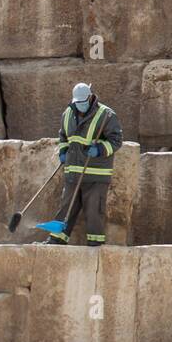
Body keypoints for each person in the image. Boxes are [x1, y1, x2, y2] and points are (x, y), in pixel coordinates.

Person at [45, 82, 122, 246]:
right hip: (73, 172)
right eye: (77, 103)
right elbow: (63, 137)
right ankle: (56, 239)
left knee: (94, 210)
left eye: (83, 102)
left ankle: (95, 245)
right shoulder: (67, 114)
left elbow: (116, 141)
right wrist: (63, 152)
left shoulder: (106, 115)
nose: (80, 105)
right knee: (66, 208)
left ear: (90, 97)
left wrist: (100, 149)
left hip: (96, 174)